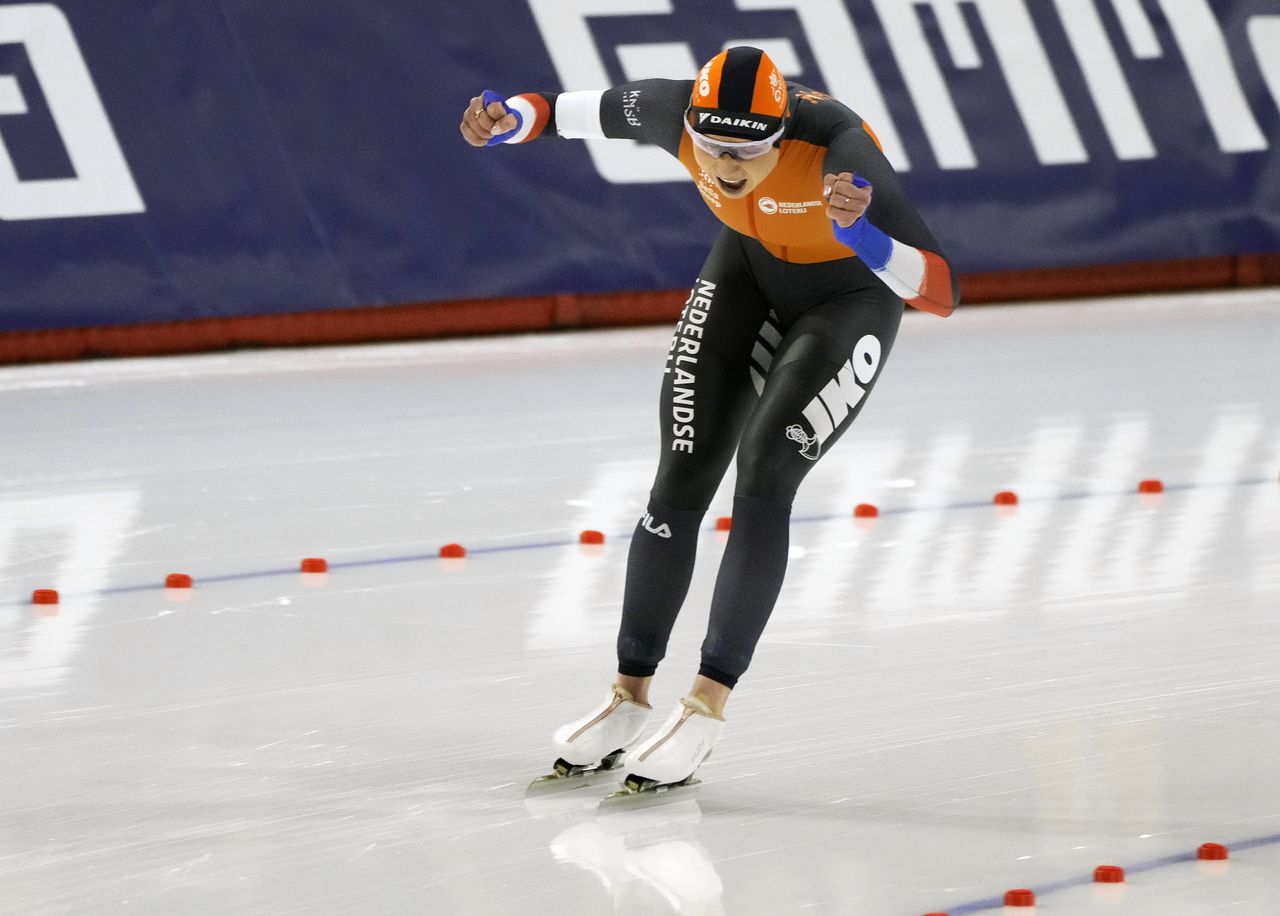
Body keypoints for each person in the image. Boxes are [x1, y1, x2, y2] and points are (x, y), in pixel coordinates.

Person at [461, 47, 958, 794]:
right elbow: (558, 112)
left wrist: (866, 237)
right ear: (690, 123)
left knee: (764, 472)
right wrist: (507, 121)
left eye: (749, 152)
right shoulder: (671, 111)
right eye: (713, 147)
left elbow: (943, 291)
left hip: (848, 300)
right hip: (747, 270)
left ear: (781, 135)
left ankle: (706, 705)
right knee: (682, 470)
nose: (726, 167)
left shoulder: (840, 147)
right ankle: (628, 696)